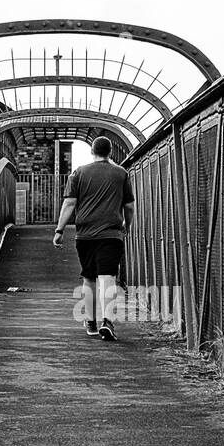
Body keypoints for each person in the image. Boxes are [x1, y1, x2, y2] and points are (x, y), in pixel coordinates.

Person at [53, 136, 134, 341]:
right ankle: (107, 321)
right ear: (110, 152)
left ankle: (90, 322)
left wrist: (59, 230)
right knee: (108, 278)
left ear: (92, 152)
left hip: (85, 235)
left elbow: (69, 203)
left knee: (89, 277)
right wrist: (127, 225)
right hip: (111, 234)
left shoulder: (79, 173)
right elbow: (129, 206)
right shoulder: (121, 173)